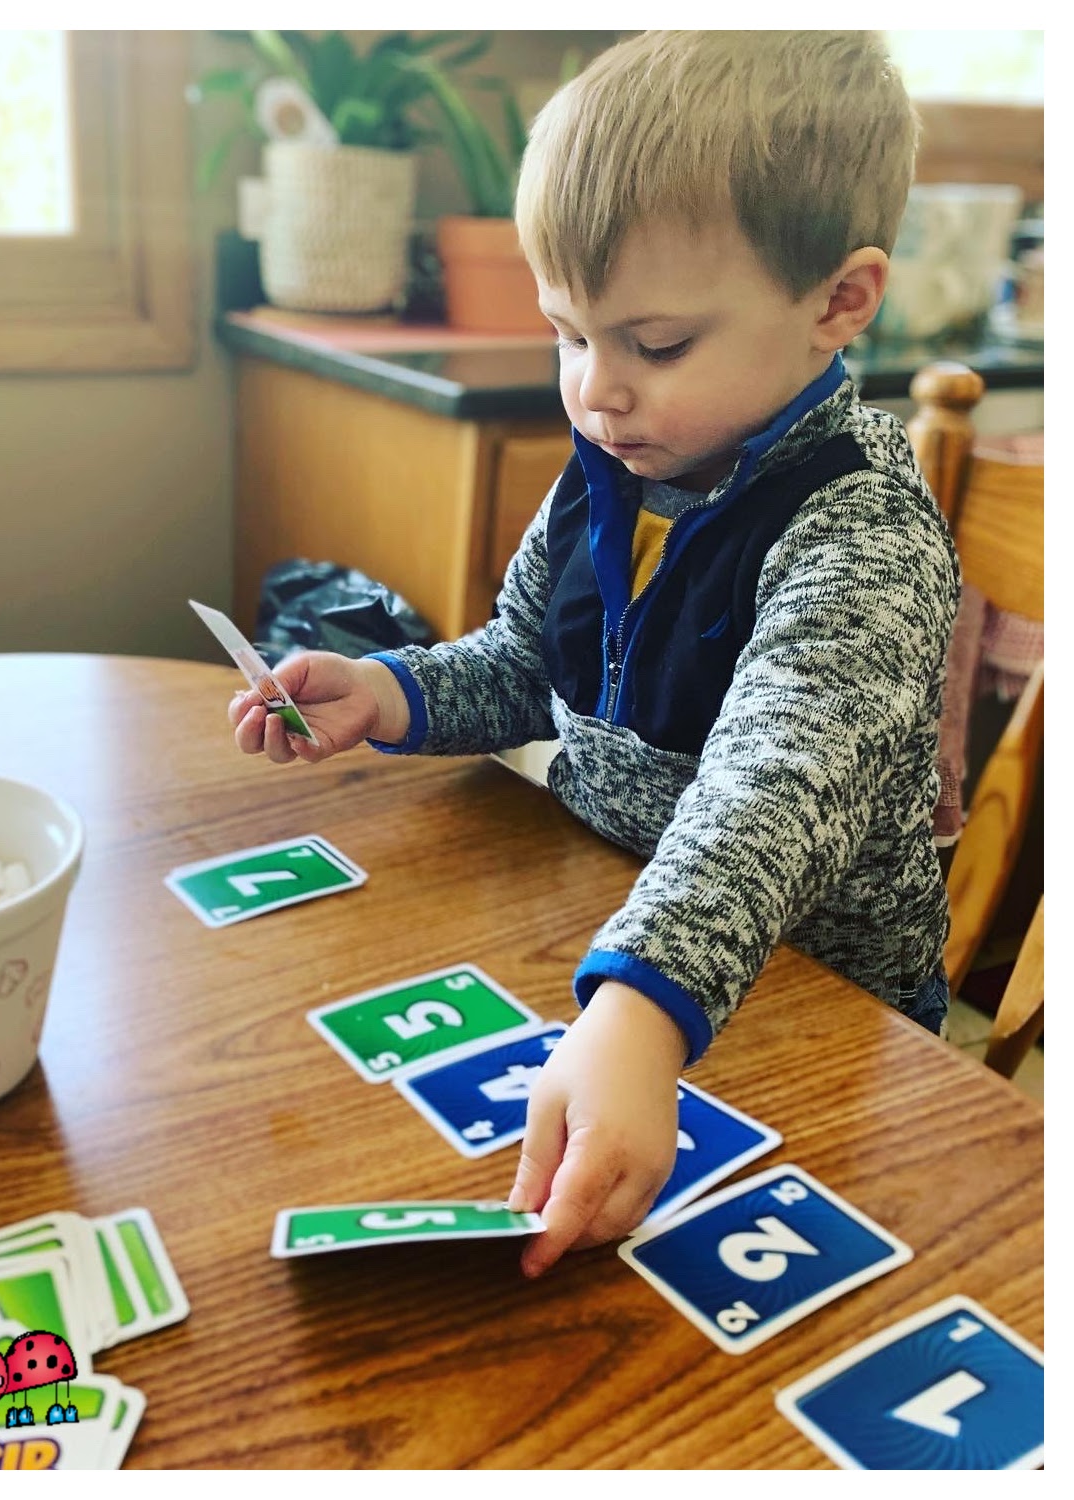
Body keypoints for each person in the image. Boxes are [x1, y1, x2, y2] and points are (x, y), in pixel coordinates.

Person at [226, 31, 958, 1279]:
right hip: (605, 930)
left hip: (808, 1009)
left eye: (655, 344)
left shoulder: (863, 534)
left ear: (840, 301)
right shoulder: (620, 464)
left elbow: (763, 804)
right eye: (569, 336)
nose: (595, 392)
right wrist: (391, 689)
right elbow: (526, 663)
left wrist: (641, 1008)